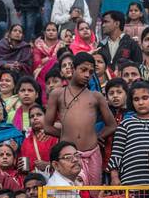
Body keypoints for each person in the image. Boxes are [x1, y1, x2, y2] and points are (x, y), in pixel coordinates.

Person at [43, 57, 115, 186]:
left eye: (91, 72)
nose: (87, 74)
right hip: (68, 156)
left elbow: (111, 125)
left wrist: (96, 137)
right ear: (72, 68)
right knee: (70, 194)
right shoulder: (58, 94)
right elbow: (47, 127)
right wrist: (67, 136)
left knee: (93, 196)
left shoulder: (96, 96)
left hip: (93, 153)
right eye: (83, 70)